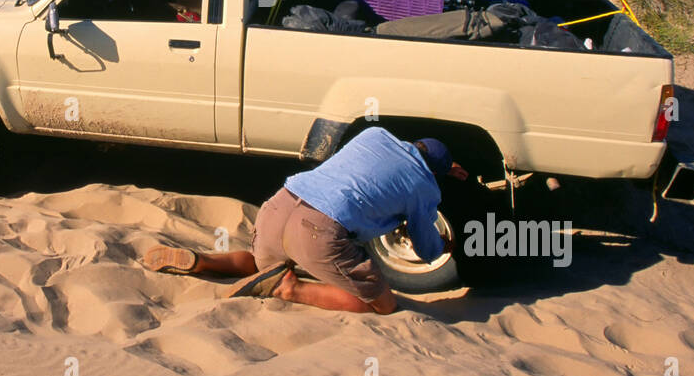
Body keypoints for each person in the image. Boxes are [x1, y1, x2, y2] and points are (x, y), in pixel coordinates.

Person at [141, 127, 467, 314]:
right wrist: (442, 245)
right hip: (319, 231)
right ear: (434, 171)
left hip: (280, 205)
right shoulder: (424, 186)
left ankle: (204, 261)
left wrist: (439, 165)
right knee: (382, 304)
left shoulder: (375, 135)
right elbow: (425, 248)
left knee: (260, 265)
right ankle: (290, 289)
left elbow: (393, 167)